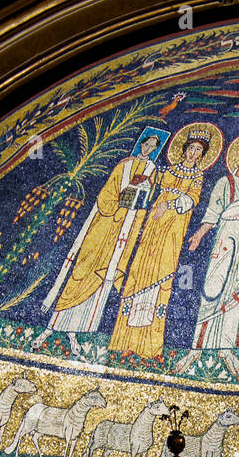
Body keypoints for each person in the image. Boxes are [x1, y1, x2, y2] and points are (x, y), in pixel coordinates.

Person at [32, 128, 164, 357]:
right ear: (140, 144)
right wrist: (121, 202)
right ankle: (50, 328)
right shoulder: (123, 166)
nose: (148, 149)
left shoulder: (152, 171)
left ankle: (74, 333)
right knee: (81, 272)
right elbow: (106, 196)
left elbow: (146, 203)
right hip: (104, 226)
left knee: (103, 279)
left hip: (124, 233)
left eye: (153, 147)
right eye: (146, 144)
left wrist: (141, 197)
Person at [109, 126, 216, 357]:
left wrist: (169, 204)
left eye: (198, 150)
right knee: (139, 273)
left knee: (161, 278)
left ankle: (150, 345)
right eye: (191, 148)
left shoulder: (197, 177)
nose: (193, 153)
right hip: (153, 226)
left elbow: (192, 199)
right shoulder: (165, 170)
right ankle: (126, 341)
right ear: (184, 149)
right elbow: (146, 186)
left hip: (173, 230)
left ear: (202, 155)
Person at [175, 136, 239, 376]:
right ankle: (196, 349)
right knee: (212, 291)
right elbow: (212, 214)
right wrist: (199, 235)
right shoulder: (225, 183)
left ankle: (227, 350)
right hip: (225, 243)